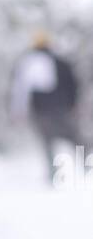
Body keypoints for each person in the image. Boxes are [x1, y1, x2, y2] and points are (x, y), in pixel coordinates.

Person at [9, 30, 81, 182]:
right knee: (74, 138)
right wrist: (73, 105)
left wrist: (18, 111)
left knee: (47, 142)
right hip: (61, 108)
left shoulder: (26, 63)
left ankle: (53, 173)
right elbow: (73, 84)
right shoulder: (60, 61)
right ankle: (85, 166)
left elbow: (19, 89)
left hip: (40, 111)